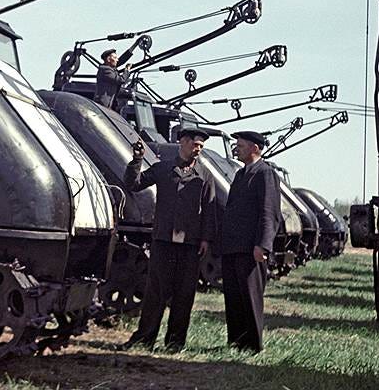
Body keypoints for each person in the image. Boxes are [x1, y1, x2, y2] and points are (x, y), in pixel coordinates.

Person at [120, 128, 217, 352]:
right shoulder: (163, 168)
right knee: (156, 292)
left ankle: (175, 343)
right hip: (163, 240)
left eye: (201, 147)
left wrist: (206, 240)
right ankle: (144, 339)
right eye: (195, 145)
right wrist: (136, 160)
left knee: (184, 296)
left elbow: (210, 211)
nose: (198, 150)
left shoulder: (205, 175)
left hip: (191, 245)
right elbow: (134, 184)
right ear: (182, 142)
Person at [220, 130, 282, 353]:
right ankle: (236, 342)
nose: (237, 149)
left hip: (251, 248)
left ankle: (254, 346)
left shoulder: (266, 174)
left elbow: (270, 212)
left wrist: (263, 245)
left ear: (255, 148)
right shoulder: (240, 174)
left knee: (250, 296)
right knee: (234, 296)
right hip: (233, 247)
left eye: (241, 145)